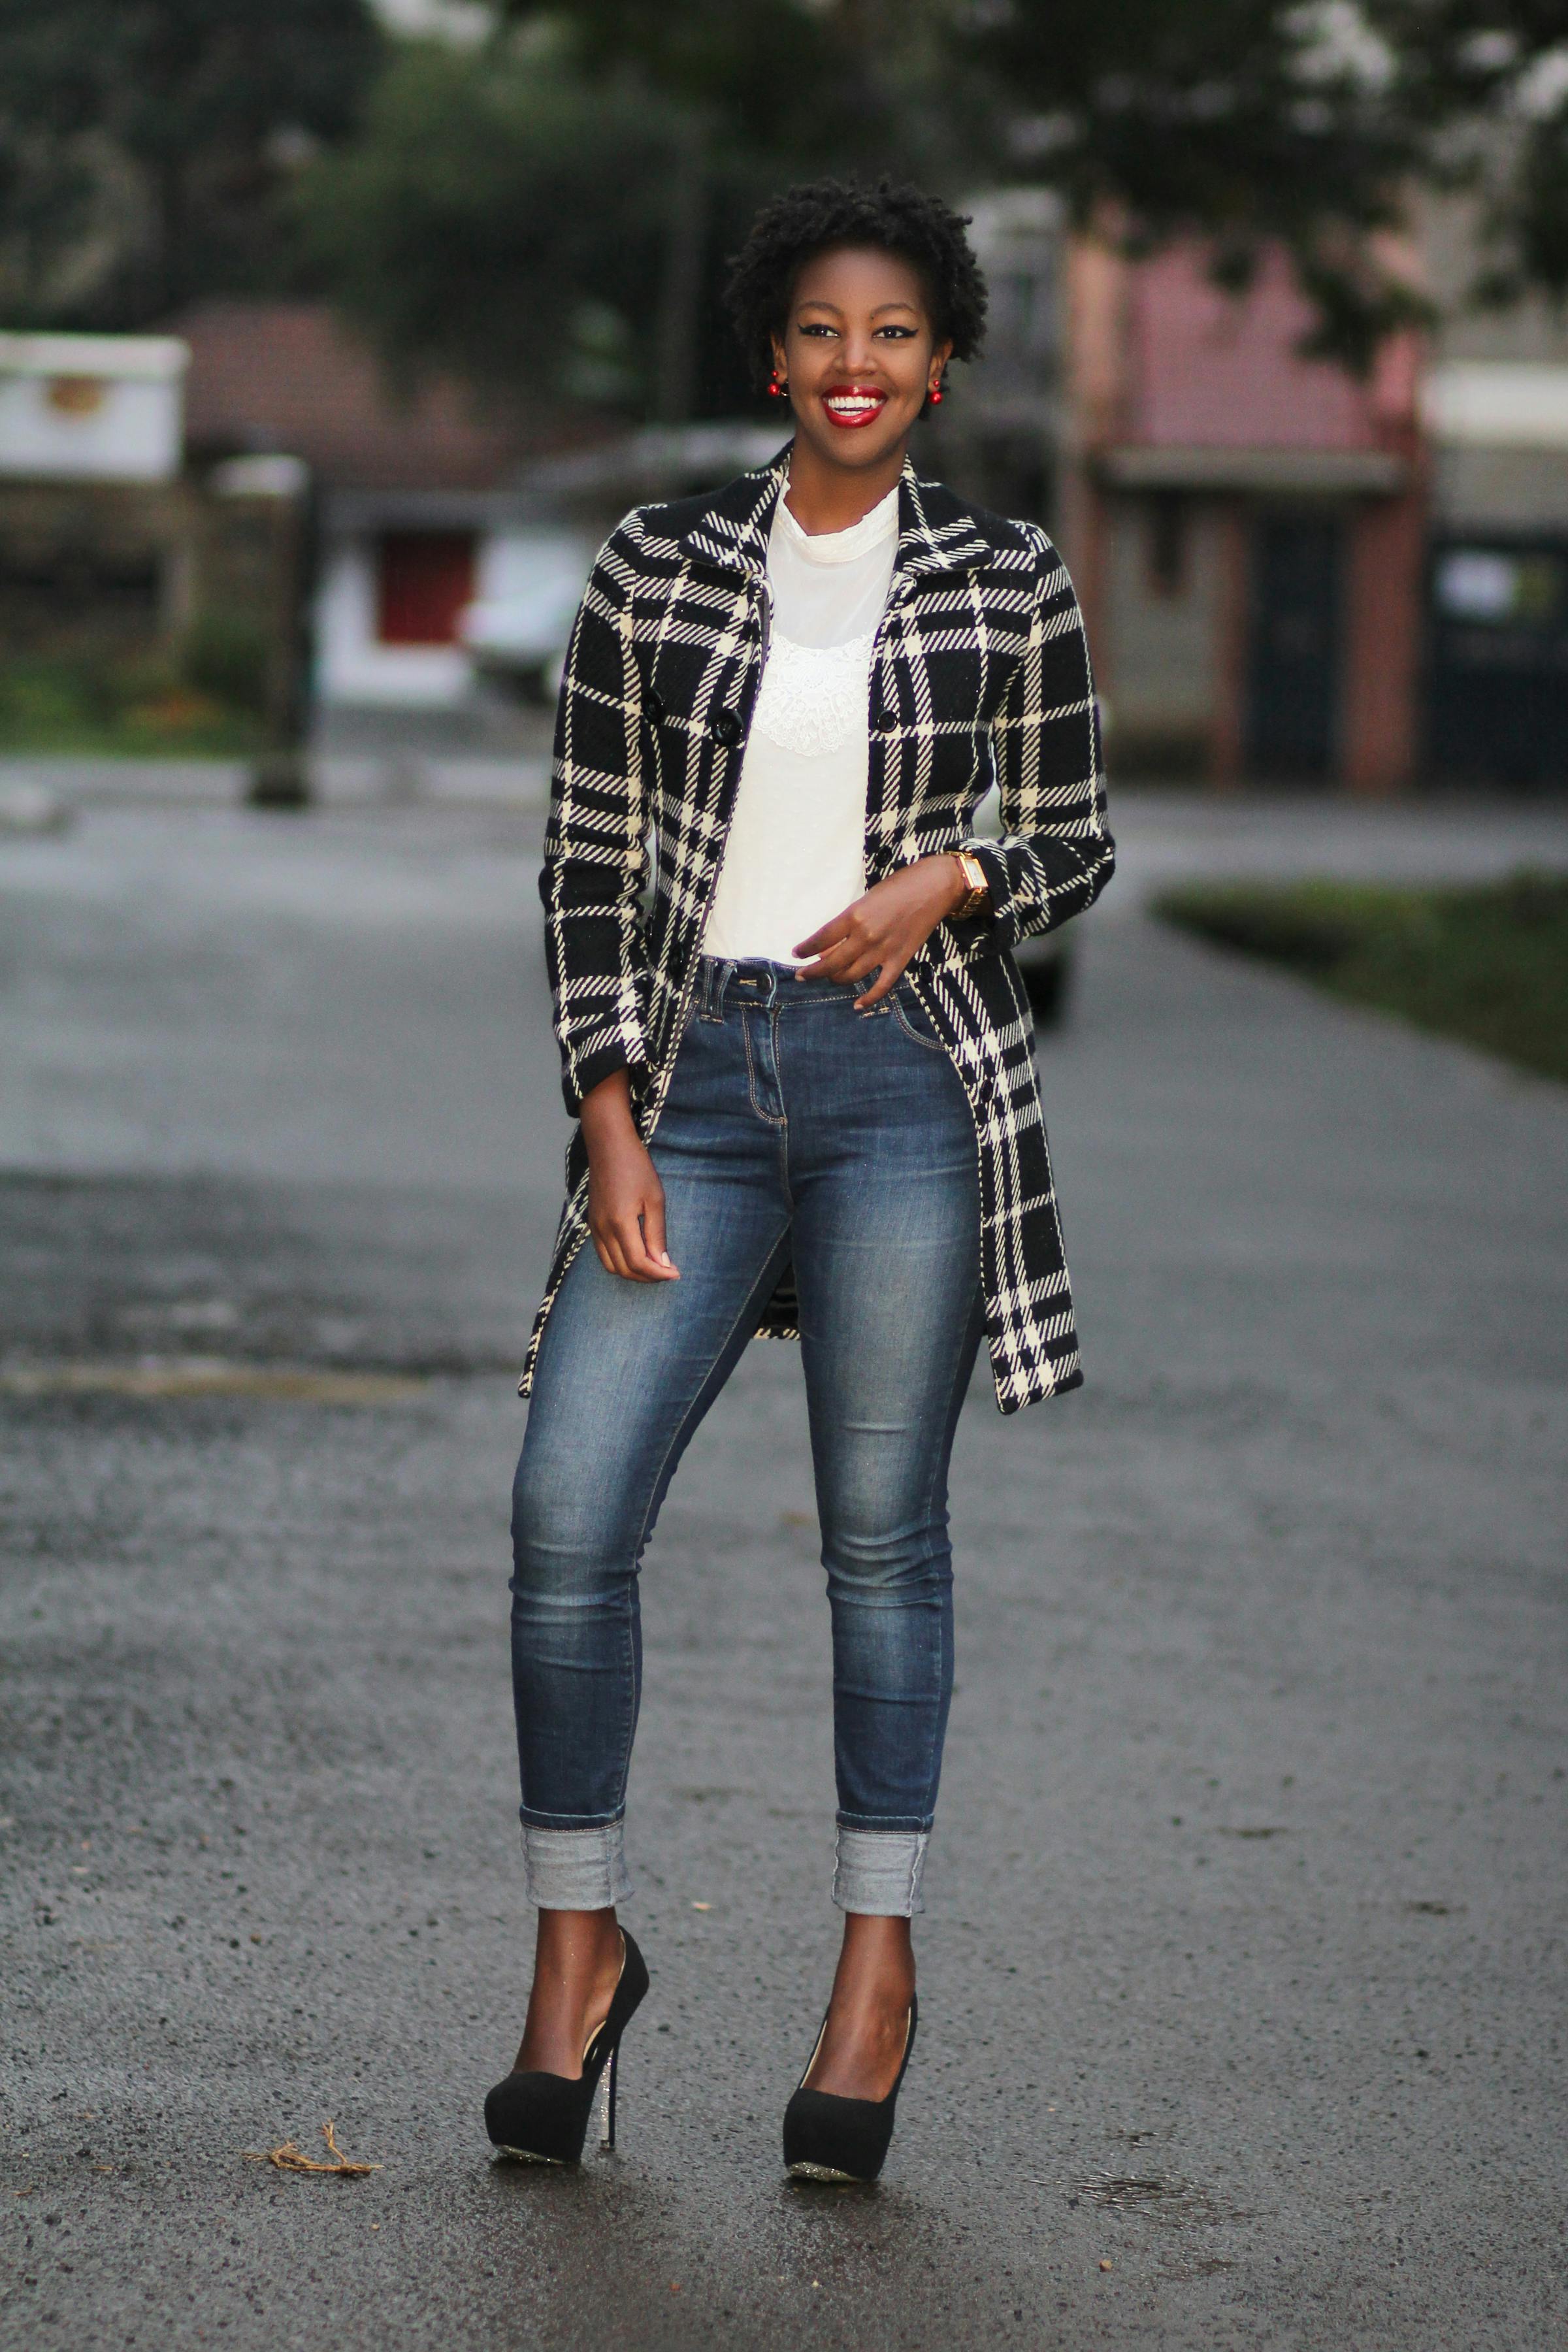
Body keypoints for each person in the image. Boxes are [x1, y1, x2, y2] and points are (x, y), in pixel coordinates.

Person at [484, 176, 1114, 2182]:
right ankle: (579, 1959)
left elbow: (1079, 835)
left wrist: (961, 871)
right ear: (780, 355)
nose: (859, 365)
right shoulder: (654, 566)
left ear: (945, 367)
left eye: (898, 333)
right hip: (685, 1080)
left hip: (908, 1088)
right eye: (825, 330)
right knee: (568, 1516)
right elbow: (585, 856)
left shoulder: (1012, 576)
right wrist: (602, 1111)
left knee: (878, 1543)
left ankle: (875, 1976)